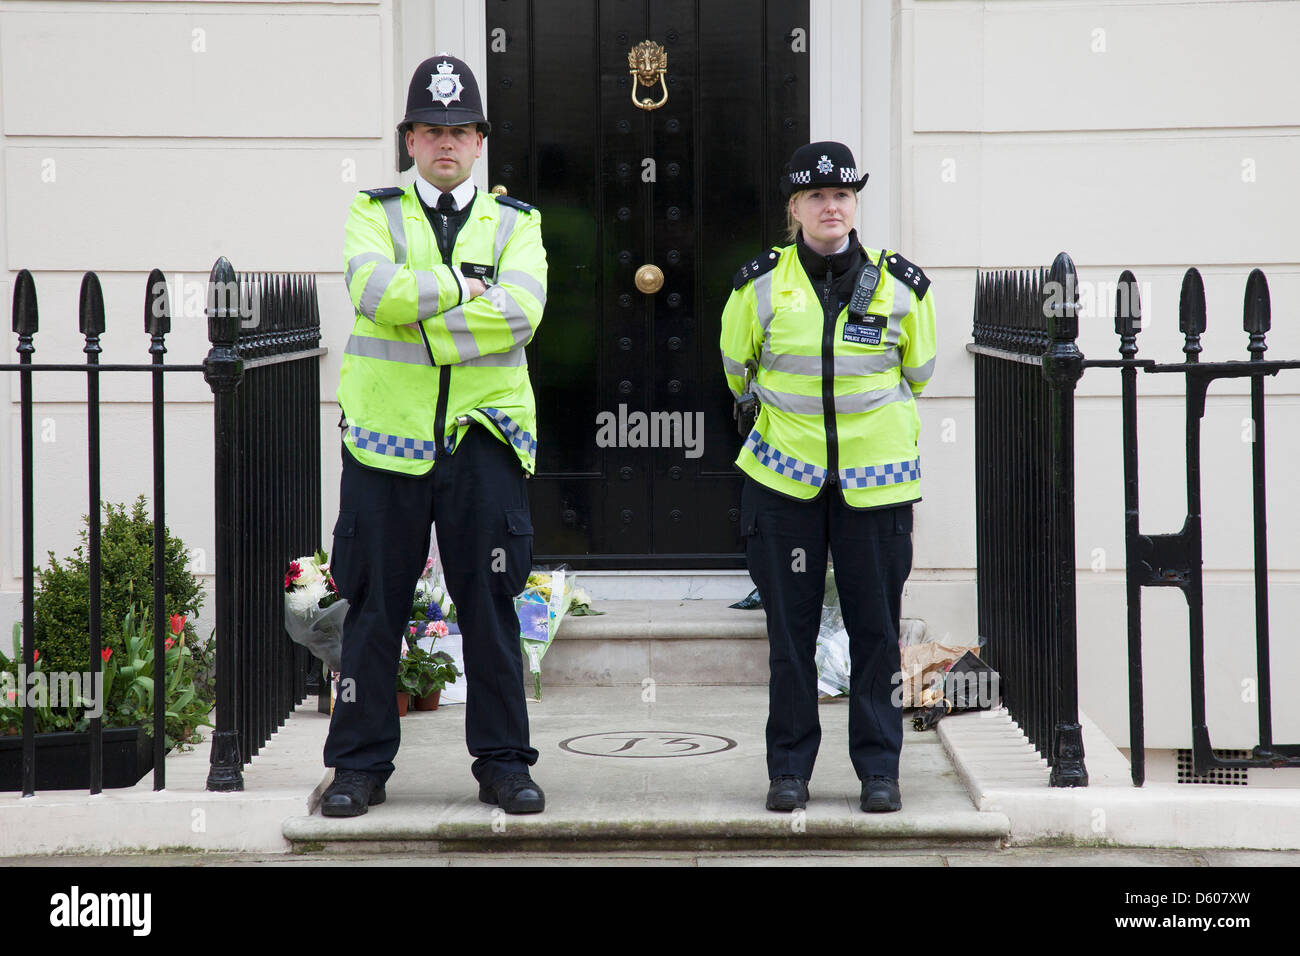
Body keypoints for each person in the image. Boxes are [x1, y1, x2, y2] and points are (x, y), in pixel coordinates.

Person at [319, 54, 548, 816]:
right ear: (408, 140)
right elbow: (371, 290)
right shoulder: (372, 212)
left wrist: (424, 320)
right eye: (430, 129)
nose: (445, 142)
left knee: (489, 603)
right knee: (374, 606)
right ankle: (358, 766)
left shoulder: (518, 223)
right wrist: (465, 289)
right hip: (388, 441)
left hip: (482, 440)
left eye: (459, 130)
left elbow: (523, 312)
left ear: (480, 141)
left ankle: (505, 763)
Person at [720, 141, 937, 813]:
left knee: (876, 635)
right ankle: (789, 770)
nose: (831, 206)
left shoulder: (901, 285)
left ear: (854, 204)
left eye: (842, 195)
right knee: (791, 637)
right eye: (816, 196)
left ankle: (879, 772)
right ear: (795, 208)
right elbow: (737, 368)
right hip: (785, 486)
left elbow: (920, 372)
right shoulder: (759, 285)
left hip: (875, 488)